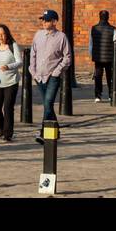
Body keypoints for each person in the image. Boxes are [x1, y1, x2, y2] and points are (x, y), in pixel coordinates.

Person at [29, 9, 71, 144]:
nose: (43, 22)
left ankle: (43, 132)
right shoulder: (38, 35)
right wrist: (33, 71)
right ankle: (55, 131)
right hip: (39, 76)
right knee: (48, 106)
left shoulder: (61, 37)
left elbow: (67, 57)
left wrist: (57, 72)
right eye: (43, 19)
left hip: (53, 76)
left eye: (46, 20)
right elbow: (33, 53)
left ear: (54, 22)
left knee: (47, 103)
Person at [0, 24, 23, 143]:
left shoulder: (13, 46)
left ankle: (8, 133)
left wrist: (8, 66)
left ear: (7, 34)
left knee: (8, 107)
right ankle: (1, 125)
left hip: (11, 82)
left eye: (3, 34)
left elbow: (19, 62)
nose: (0, 37)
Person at [89, 9, 116, 102]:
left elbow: (91, 44)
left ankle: (98, 96)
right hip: (110, 57)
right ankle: (111, 95)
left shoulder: (94, 28)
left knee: (98, 77)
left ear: (99, 17)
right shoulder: (113, 29)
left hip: (98, 57)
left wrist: (92, 54)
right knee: (110, 77)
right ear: (108, 17)